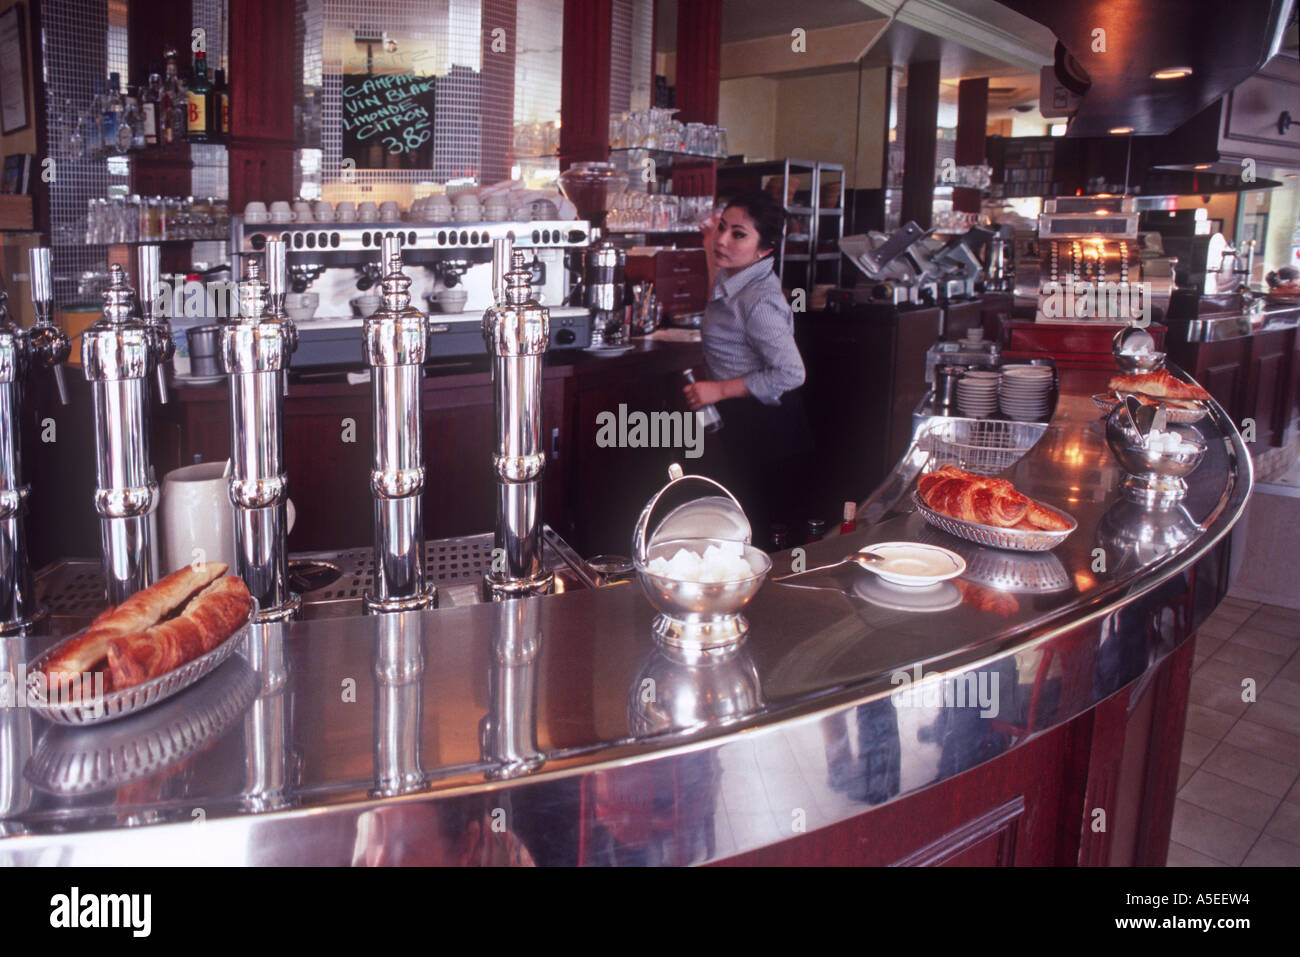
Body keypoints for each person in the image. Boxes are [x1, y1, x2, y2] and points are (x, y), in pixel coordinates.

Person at [682, 189, 811, 550]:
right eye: (721, 227)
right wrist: (710, 243)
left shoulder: (759, 300)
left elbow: (791, 373)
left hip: (768, 427)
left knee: (761, 535)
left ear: (765, 249)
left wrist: (718, 389)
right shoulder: (736, 275)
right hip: (746, 419)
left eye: (738, 234)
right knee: (743, 524)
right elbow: (718, 286)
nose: (722, 240)